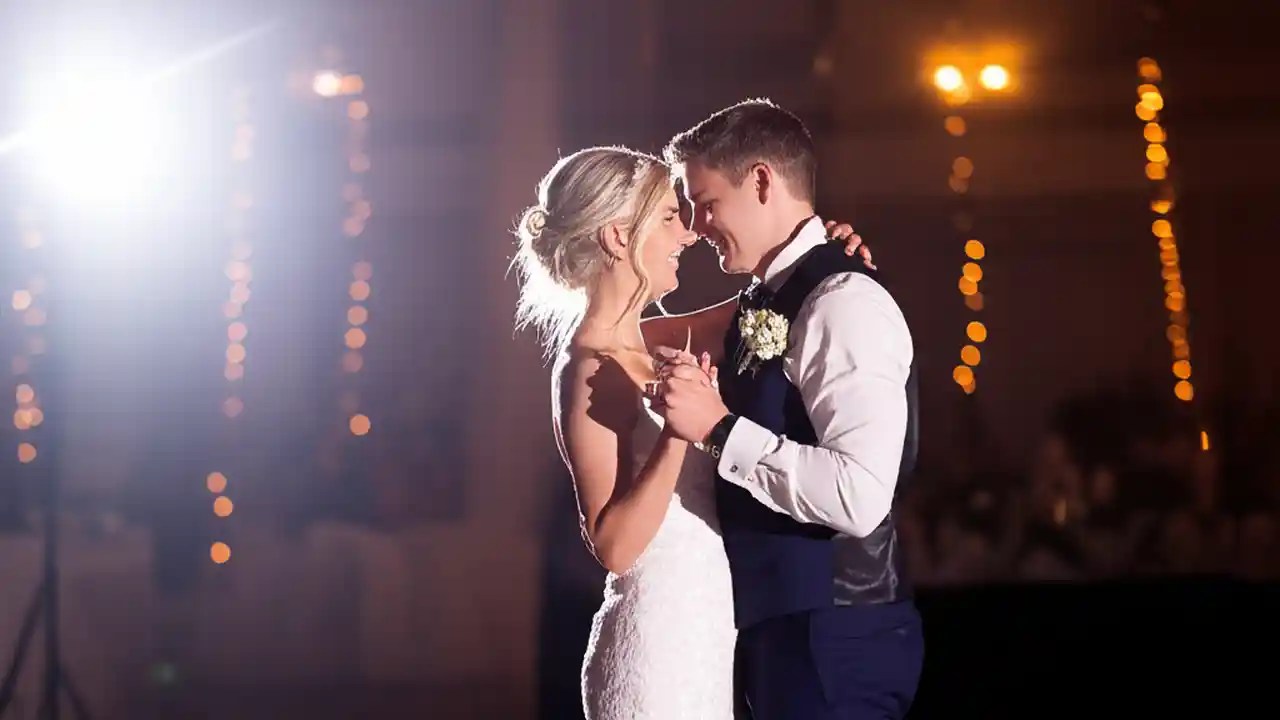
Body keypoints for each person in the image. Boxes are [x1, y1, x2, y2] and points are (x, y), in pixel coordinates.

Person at [510, 144, 871, 719]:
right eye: (669, 218)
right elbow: (614, 545)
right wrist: (679, 434)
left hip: (706, 634)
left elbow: (765, 300)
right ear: (617, 237)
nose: (688, 234)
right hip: (655, 647)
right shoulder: (589, 366)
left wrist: (822, 253)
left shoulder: (651, 341)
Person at [652, 98, 923, 719]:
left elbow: (859, 497)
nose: (696, 226)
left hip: (834, 637)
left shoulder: (842, 300)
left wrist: (719, 430)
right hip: (784, 630)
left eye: (707, 202)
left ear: (763, 181)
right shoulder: (766, 296)